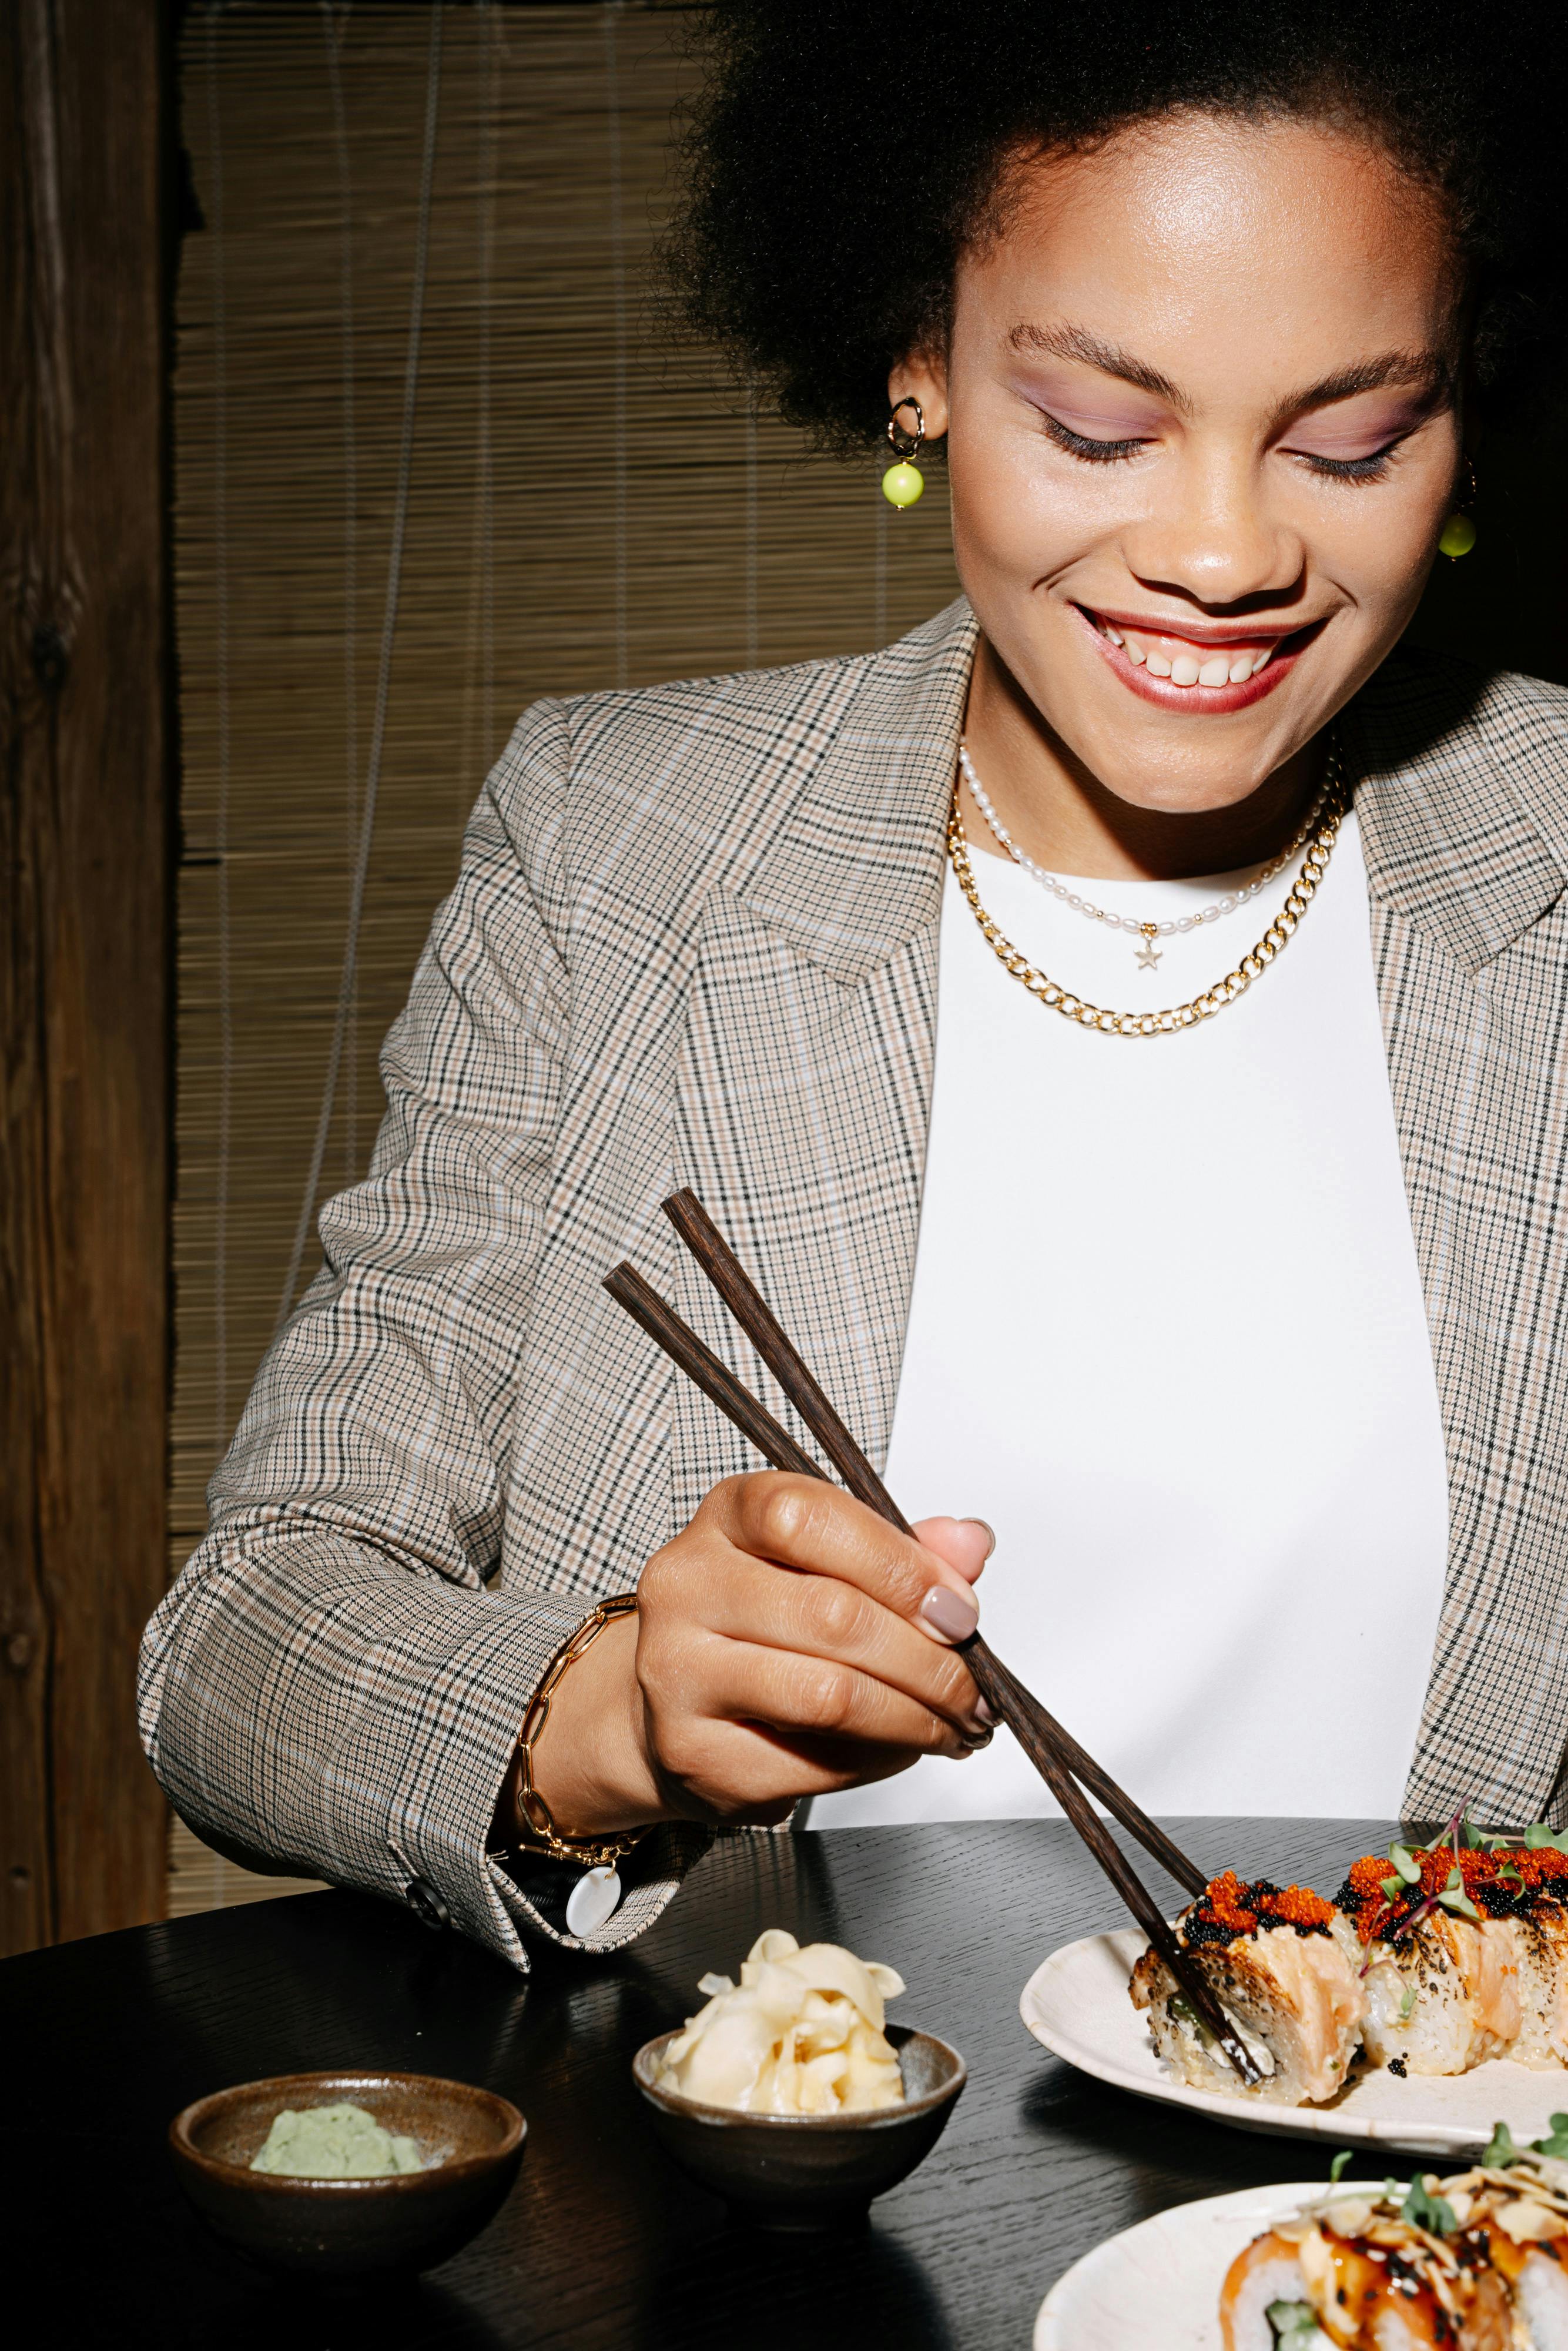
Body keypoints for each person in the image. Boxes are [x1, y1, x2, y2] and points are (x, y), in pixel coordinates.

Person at [140, 2, 1568, 1968]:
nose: (1221, 551)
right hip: (780, 2149)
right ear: (920, 362)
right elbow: (243, 1641)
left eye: (1348, 442)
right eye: (1098, 428)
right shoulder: (621, 842)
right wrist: (599, 1720)